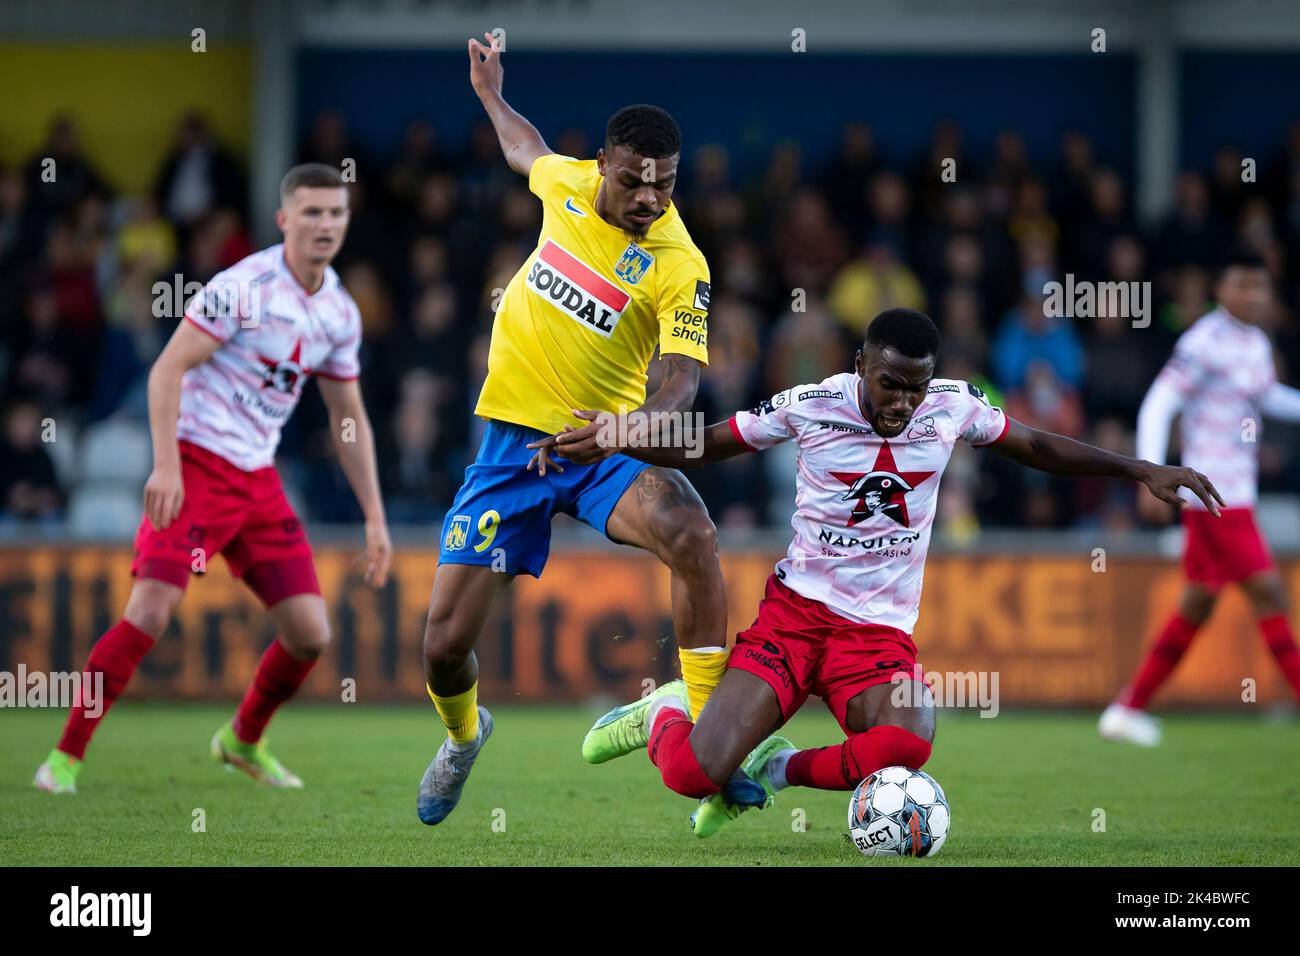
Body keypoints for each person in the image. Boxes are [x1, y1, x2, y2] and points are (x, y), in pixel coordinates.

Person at [572, 308, 1221, 835]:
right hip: (794, 620)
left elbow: (1040, 446)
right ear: (861, 367)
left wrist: (1140, 468)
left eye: (916, 386)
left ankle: (776, 769)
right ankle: (668, 707)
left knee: (909, 744)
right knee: (691, 775)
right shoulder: (813, 404)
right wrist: (616, 436)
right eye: (890, 384)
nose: (903, 402)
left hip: (877, 638)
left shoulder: (952, 407)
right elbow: (710, 444)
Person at [416, 33, 725, 825]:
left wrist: (624, 429)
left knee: (690, 528)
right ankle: (462, 736)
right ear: (604, 166)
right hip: (514, 447)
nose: (649, 201)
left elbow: (683, 383)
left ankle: (711, 723)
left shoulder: (678, 260)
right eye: (633, 184)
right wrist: (489, 93)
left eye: (665, 187)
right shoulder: (566, 184)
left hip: (600, 445)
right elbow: (528, 148)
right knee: (444, 647)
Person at [34, 164, 392, 793]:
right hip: (197, 467)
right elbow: (166, 370)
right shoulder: (243, 289)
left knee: (311, 633)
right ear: (284, 220)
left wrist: (375, 516)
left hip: (257, 480)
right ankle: (64, 757)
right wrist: (167, 465)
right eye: (311, 213)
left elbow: (347, 416)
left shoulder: (339, 310)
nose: (325, 225)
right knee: (149, 612)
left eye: (335, 214)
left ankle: (241, 741)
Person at [1100, 249, 1300, 746]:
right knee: (1269, 593)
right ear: (1222, 290)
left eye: (1261, 287)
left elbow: (1266, 397)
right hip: (1216, 495)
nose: (1254, 296)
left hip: (1238, 494)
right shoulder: (1202, 342)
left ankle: (1126, 710)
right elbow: (1159, 402)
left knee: (1197, 604)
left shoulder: (1254, 342)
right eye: (1243, 286)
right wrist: (1150, 470)